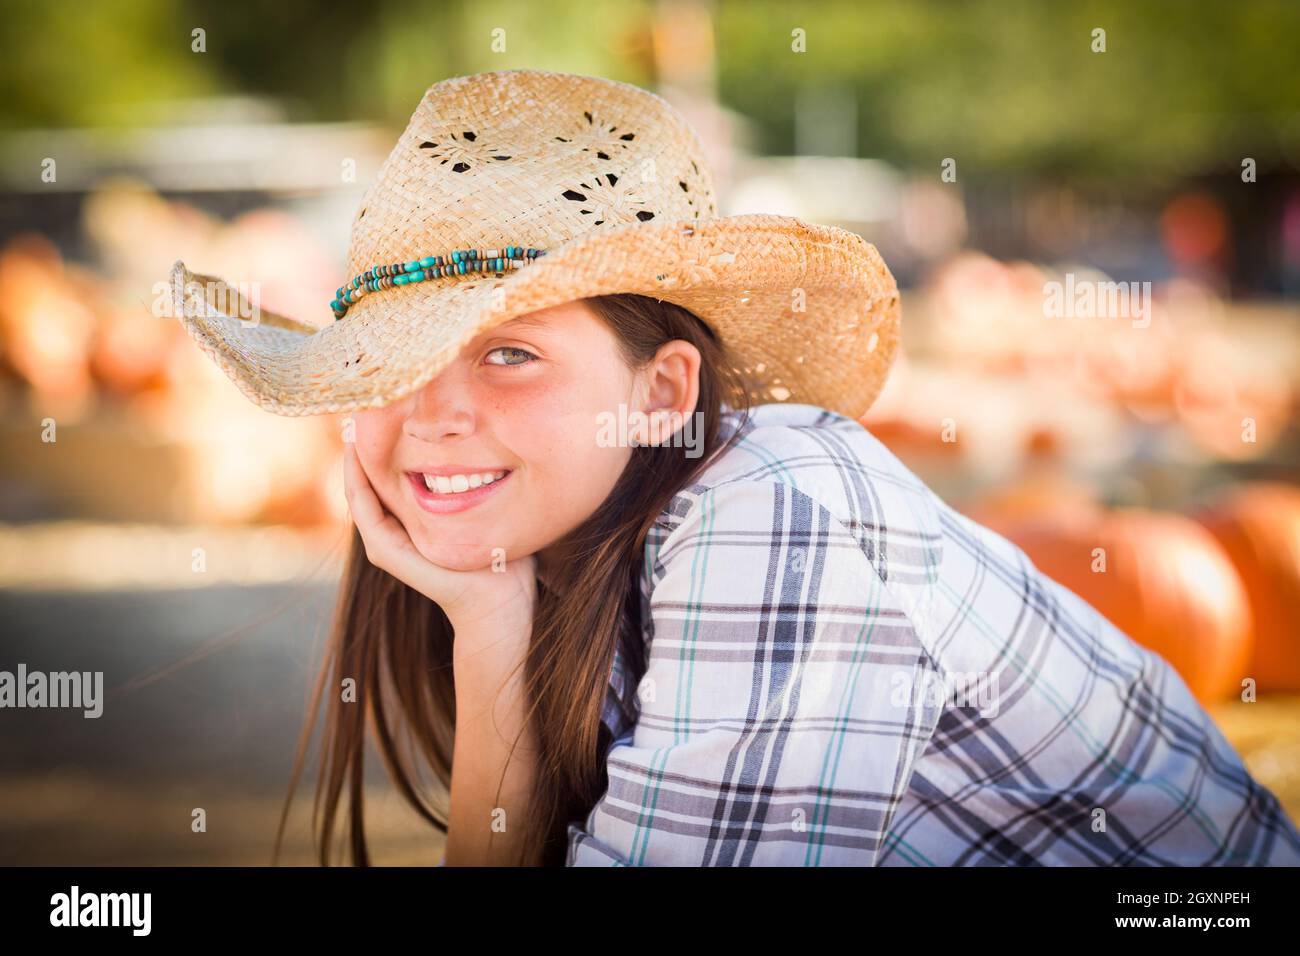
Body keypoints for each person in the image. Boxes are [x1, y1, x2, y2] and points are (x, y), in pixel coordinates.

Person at [168, 69, 1300, 867]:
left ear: (661, 393)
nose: (432, 414)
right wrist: (491, 634)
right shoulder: (561, 564)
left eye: (508, 352)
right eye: (390, 362)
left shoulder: (769, 514)